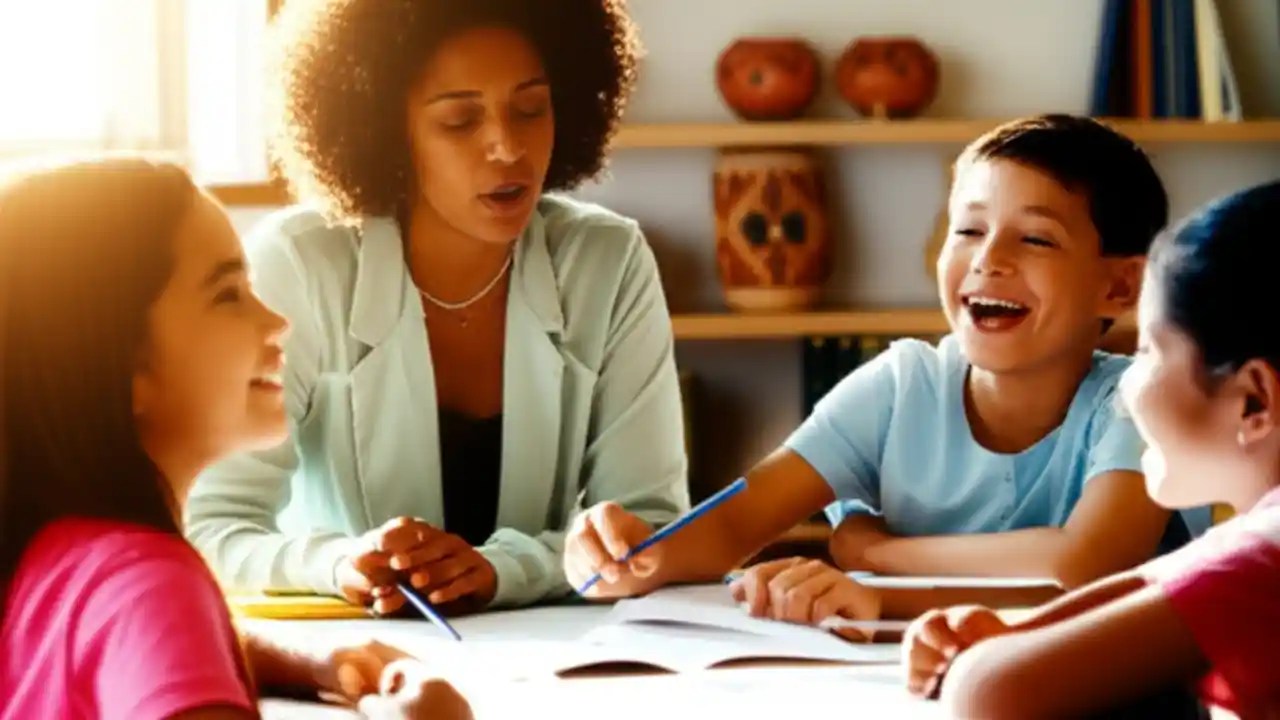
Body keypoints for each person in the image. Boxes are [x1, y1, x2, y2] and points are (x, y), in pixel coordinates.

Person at [565, 114, 1181, 625]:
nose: (988, 259)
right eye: (968, 229)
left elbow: (1083, 567)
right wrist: (627, 555)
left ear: (1120, 285)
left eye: (1037, 240)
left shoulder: (1139, 403)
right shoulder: (900, 386)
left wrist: (880, 561)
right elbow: (733, 525)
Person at [185, 0, 688, 615]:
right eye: (459, 121)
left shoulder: (607, 261)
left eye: (532, 108)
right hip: (352, 660)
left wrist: (505, 570)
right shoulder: (299, 265)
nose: (507, 147)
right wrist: (338, 563)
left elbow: (649, 525)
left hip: (553, 664)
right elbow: (210, 527)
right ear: (386, 130)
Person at [0, 157, 471, 719]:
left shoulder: (53, 553)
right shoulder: (150, 583)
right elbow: (153, 614)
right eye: (227, 294)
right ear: (117, 365)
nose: (277, 322)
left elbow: (145, 635)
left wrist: (311, 662)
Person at [905, 179, 1280, 719]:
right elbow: (1155, 586)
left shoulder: (1263, 561)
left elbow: (993, 695)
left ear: (1253, 402)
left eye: (1148, 351)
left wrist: (985, 657)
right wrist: (1014, 632)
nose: (1126, 381)